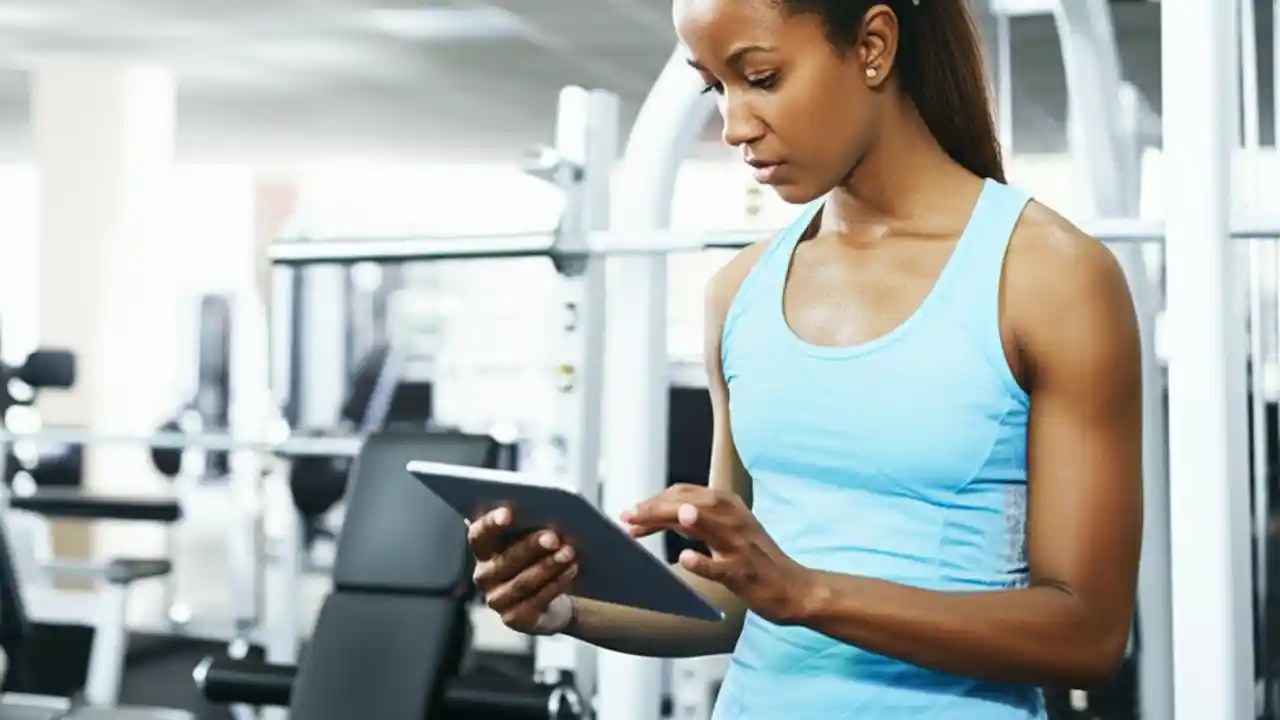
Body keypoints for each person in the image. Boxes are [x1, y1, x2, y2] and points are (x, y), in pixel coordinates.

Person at [466, 0, 1143, 717]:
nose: (734, 126)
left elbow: (1088, 637)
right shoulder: (740, 291)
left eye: (761, 77)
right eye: (715, 87)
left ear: (873, 46)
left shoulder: (1050, 276)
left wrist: (807, 592)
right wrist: (563, 605)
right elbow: (732, 597)